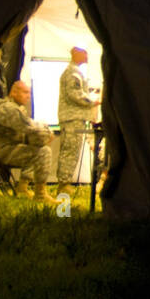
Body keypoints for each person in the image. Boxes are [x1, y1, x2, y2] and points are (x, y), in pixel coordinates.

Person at [0, 81, 59, 206]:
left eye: (29, 93)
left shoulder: (13, 108)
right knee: (43, 151)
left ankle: (22, 188)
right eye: (25, 92)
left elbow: (28, 127)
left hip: (2, 149)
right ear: (14, 92)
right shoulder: (8, 109)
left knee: (36, 147)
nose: (28, 96)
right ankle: (40, 194)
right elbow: (28, 126)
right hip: (0, 152)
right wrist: (47, 131)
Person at [55, 47, 101, 199]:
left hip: (74, 118)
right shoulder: (73, 73)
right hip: (72, 119)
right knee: (69, 151)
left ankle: (64, 184)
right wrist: (93, 100)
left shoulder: (74, 72)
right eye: (84, 53)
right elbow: (75, 94)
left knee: (71, 151)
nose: (87, 56)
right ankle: (63, 185)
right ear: (77, 54)